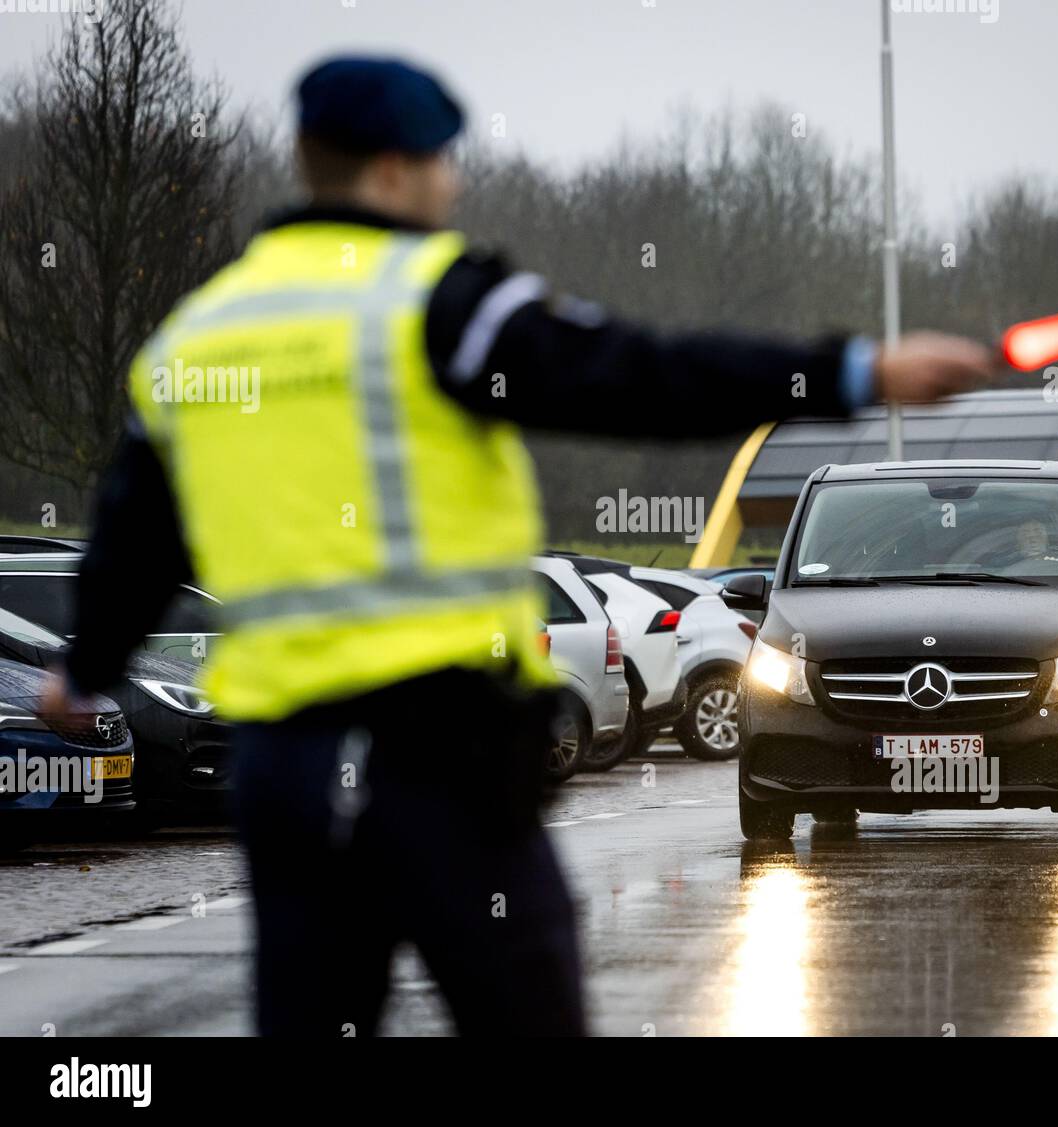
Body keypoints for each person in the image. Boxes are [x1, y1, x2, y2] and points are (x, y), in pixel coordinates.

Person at [41, 56, 1000, 1036]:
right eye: (440, 163)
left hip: (286, 766)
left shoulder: (199, 338)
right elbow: (635, 375)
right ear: (390, 172)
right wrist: (850, 370)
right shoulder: (434, 301)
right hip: (438, 756)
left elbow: (131, 535)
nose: (450, 185)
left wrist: (82, 671)